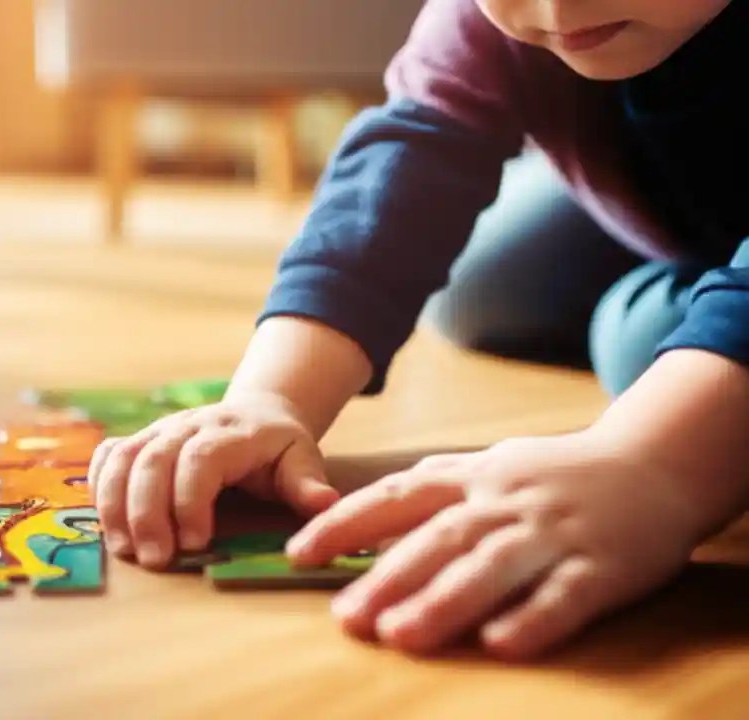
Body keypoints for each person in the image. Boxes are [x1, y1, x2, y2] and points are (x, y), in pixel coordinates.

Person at [88, 0, 749, 660]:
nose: (556, 3)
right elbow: (405, 160)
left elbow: (667, 449)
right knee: (480, 288)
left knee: (643, 351)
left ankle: (687, 305)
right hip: (650, 207)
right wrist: (271, 396)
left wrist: (654, 465)